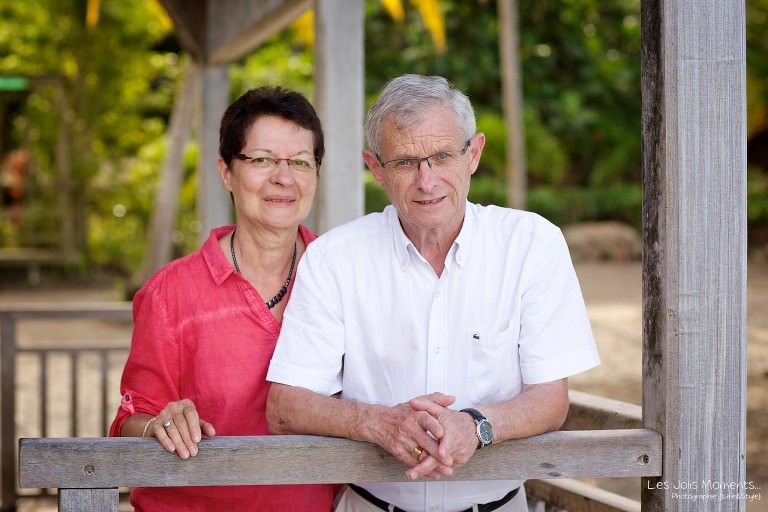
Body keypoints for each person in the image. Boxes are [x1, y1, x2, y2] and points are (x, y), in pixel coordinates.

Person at [266, 74, 601, 512]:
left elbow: (551, 399)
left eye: (442, 156)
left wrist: (477, 425)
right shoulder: (334, 258)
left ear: (473, 154)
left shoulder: (532, 243)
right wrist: (378, 423)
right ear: (376, 169)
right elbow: (285, 406)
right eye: (405, 162)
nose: (427, 181)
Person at [109, 86, 336, 511]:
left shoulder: (343, 275)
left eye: (301, 162)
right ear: (227, 172)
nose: (284, 177)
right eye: (263, 159)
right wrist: (159, 424)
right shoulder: (169, 293)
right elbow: (129, 420)